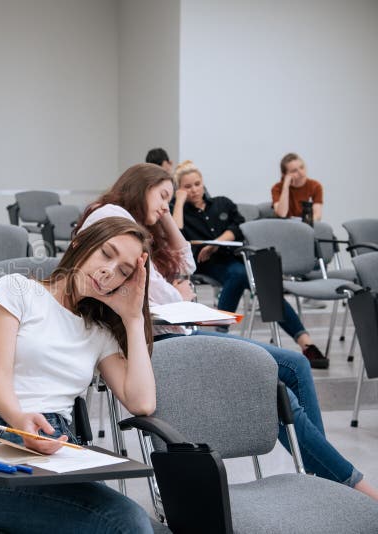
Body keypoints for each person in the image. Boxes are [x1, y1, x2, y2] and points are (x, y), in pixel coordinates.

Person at [76, 163, 378, 501]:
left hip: (169, 331)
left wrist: (162, 216)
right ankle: (341, 483)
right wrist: (179, 289)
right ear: (139, 187)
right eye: (161, 196)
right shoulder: (113, 216)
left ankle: (328, 476)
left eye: (168, 199)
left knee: (292, 368)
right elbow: (167, 294)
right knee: (274, 384)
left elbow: (186, 267)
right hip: (153, 341)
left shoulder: (134, 223)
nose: (165, 206)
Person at [0, 217, 157, 533]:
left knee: (134, 524)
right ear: (79, 243)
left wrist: (133, 318)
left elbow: (142, 403)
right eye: (106, 253)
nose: (110, 271)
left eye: (123, 271)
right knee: (126, 524)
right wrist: (20, 420)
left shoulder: (99, 331)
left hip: (60, 447)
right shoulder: (17, 289)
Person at [172, 160, 328, 367]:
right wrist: (179, 201)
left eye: (197, 184)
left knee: (264, 285)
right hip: (206, 263)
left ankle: (303, 343)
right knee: (244, 276)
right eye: (187, 187)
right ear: (179, 189)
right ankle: (304, 343)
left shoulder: (222, 203)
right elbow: (176, 234)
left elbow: (238, 226)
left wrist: (216, 243)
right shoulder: (179, 211)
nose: (194, 190)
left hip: (234, 257)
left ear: (203, 183)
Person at [271, 152, 323, 221]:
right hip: (284, 225)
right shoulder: (277, 188)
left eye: (302, 167)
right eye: (294, 171)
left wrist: (304, 225)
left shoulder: (315, 186)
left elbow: (317, 215)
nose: (301, 173)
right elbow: (282, 214)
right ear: (285, 174)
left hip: (306, 224)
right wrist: (286, 186)